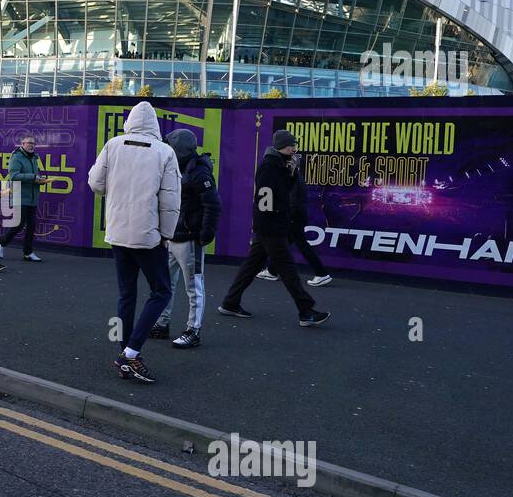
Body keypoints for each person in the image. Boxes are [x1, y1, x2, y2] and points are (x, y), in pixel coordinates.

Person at [87, 101, 181, 383]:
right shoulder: (165, 151)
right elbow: (170, 201)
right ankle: (130, 353)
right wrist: (166, 235)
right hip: (148, 234)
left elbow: (95, 183)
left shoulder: (113, 144)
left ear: (130, 121)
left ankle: (123, 348)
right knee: (161, 291)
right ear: (155, 124)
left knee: (126, 293)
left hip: (118, 232)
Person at [219, 130, 330, 327]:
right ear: (282, 146)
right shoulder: (270, 166)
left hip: (269, 227)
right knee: (287, 269)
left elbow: (283, 190)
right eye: (291, 146)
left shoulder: (279, 165)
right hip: (271, 227)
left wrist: (292, 172)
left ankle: (230, 302)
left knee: (251, 266)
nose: (294, 149)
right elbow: (265, 200)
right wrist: (274, 226)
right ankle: (306, 311)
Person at [149, 129, 221, 349]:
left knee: (193, 286)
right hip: (172, 236)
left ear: (178, 148)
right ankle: (162, 324)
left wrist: (205, 235)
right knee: (165, 283)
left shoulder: (199, 173)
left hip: (189, 239)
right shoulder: (177, 167)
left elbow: (212, 205)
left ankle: (193, 331)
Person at [256, 151, 332, 286]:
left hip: (294, 215)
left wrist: (287, 215)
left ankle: (321, 273)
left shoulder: (293, 177)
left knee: (300, 243)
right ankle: (272, 271)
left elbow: (292, 199)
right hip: (296, 214)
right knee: (284, 243)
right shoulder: (294, 176)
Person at [0, 133, 44, 262]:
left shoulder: (34, 158)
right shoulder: (16, 157)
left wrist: (40, 179)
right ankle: (2, 242)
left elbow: (34, 175)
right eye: (29, 143)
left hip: (32, 198)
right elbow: (14, 176)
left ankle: (28, 253)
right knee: (18, 224)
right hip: (19, 196)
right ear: (22, 144)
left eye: (33, 143)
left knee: (31, 226)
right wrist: (33, 177)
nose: (31, 145)